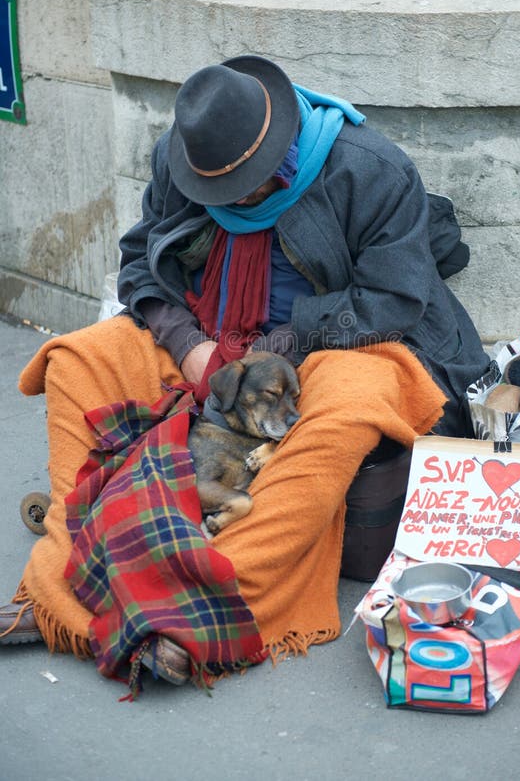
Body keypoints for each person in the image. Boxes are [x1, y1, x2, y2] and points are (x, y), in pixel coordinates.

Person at [0, 55, 489, 691]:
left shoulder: (371, 169)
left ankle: (199, 614)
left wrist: (282, 345)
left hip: (336, 346)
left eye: (245, 185)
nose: (228, 201)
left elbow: (394, 300)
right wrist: (189, 343)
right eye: (215, 192)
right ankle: (60, 581)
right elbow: (138, 266)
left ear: (279, 146)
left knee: (348, 403)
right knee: (76, 358)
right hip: (210, 345)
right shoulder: (181, 160)